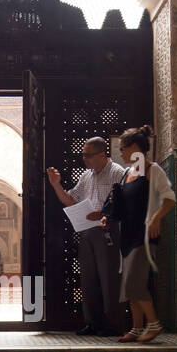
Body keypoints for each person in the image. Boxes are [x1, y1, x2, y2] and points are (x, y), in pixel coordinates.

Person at [99, 125, 176, 344]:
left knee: (134, 282)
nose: (121, 153)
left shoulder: (152, 170)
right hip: (127, 236)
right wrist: (107, 216)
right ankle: (136, 328)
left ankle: (153, 325)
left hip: (144, 236)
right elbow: (121, 204)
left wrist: (155, 218)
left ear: (135, 148)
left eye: (123, 148)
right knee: (130, 285)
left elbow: (169, 198)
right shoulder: (128, 174)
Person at [46, 136, 127, 335]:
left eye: (88, 155)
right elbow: (71, 201)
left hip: (108, 230)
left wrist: (102, 213)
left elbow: (123, 203)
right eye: (83, 155)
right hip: (87, 231)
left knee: (108, 279)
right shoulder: (86, 176)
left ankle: (112, 324)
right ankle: (93, 322)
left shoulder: (118, 173)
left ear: (102, 155)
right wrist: (56, 184)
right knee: (89, 279)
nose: (84, 159)